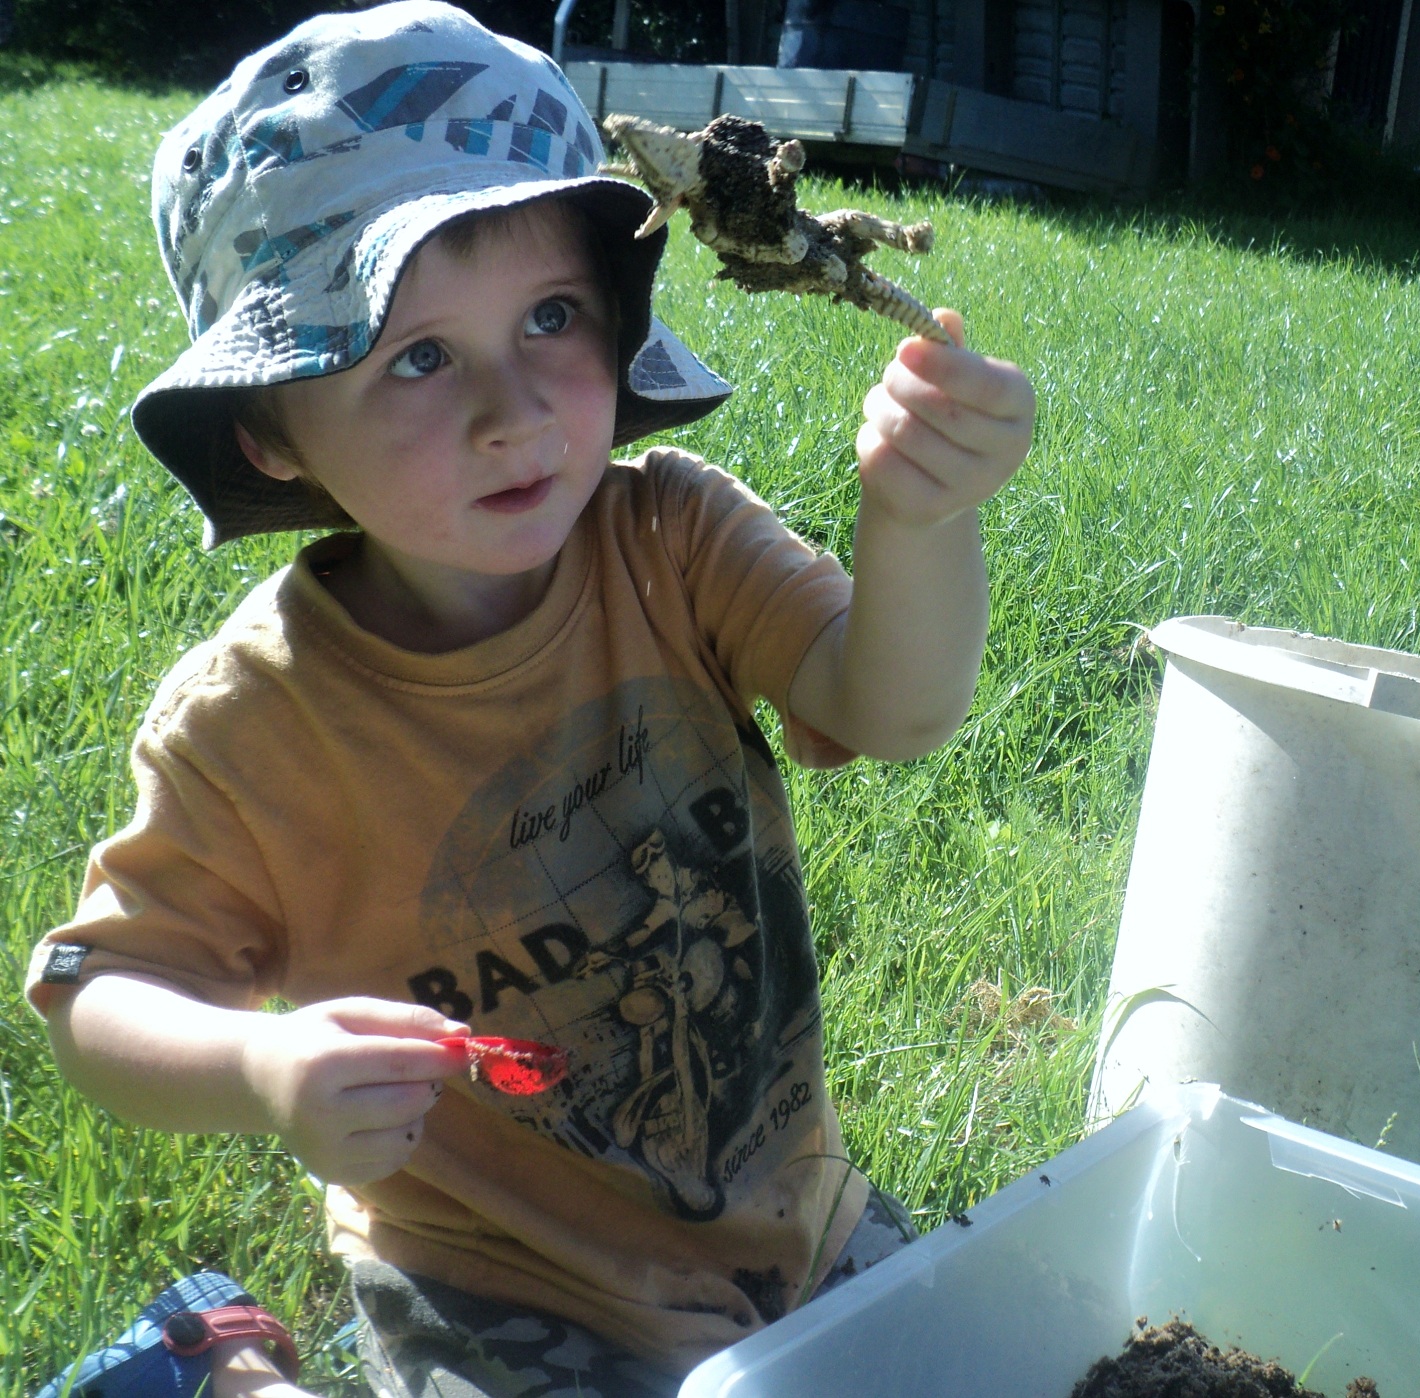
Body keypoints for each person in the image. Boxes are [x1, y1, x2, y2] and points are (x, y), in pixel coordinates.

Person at [27, 3, 1035, 1396]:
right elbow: (97, 995)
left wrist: (921, 517)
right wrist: (263, 1071)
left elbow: (896, 706)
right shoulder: (255, 725)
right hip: (497, 1287)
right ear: (270, 425)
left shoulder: (673, 539)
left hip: (796, 1230)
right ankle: (221, 1368)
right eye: (417, 356)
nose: (512, 409)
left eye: (550, 316)